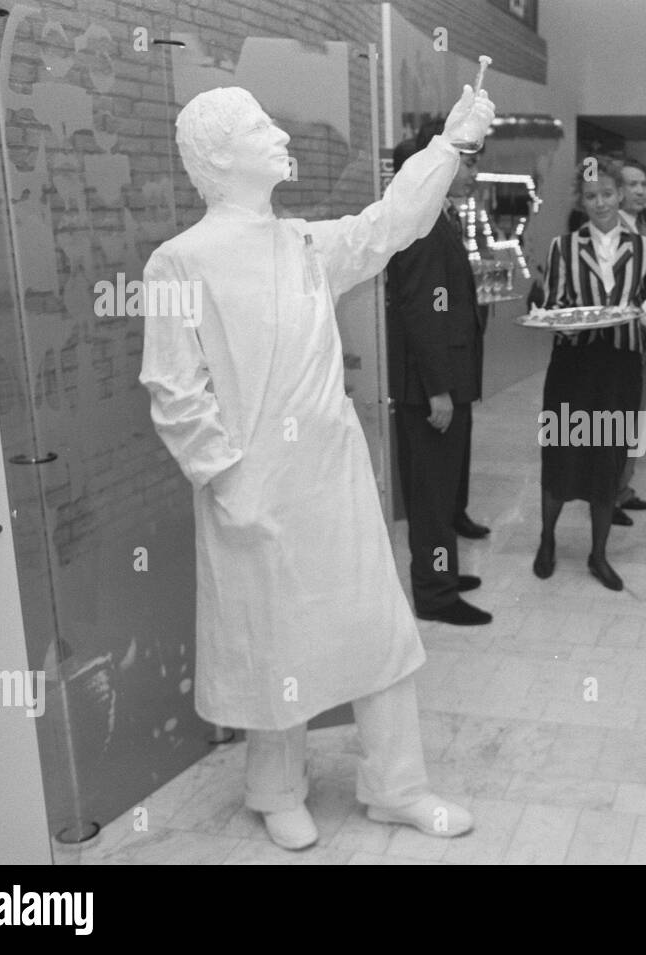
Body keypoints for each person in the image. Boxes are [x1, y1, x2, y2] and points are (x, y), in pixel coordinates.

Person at [138, 84, 494, 850]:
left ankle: (398, 784)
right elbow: (173, 389)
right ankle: (274, 789)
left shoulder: (303, 245)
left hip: (332, 479)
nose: (278, 131)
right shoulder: (178, 264)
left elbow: (388, 224)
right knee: (274, 641)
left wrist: (452, 144)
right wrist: (229, 482)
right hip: (253, 487)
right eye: (259, 126)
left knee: (380, 630)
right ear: (218, 156)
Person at [533, 159, 646, 592]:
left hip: (620, 368)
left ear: (620, 194)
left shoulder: (643, 248)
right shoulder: (562, 247)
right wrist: (564, 322)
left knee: (608, 460)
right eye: (591, 196)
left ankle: (598, 554)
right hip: (573, 368)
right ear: (581, 200)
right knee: (561, 455)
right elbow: (553, 307)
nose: (601, 202)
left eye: (608, 193)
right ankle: (547, 540)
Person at [386, 122, 491, 627]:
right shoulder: (423, 224)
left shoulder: (438, 218)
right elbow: (423, 313)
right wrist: (439, 390)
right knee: (430, 497)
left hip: (448, 378)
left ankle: (442, 573)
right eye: (466, 163)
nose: (473, 172)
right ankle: (434, 593)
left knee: (443, 490)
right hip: (434, 385)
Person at [615, 158, 646, 521]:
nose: (639, 191)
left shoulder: (645, 222)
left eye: (643, 184)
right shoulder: (608, 230)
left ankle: (622, 486)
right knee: (615, 418)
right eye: (631, 184)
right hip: (620, 339)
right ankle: (606, 494)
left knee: (635, 416)